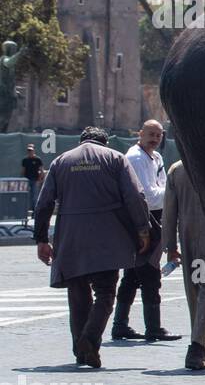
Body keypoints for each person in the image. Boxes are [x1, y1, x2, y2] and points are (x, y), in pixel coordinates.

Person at [32, 127, 152, 368]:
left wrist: (41, 239)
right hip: (108, 236)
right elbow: (135, 196)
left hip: (71, 236)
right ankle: (90, 340)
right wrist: (143, 229)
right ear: (104, 142)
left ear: (81, 140)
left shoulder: (61, 161)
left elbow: (44, 203)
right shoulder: (115, 159)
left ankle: (81, 349)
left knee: (77, 294)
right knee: (106, 293)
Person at [112, 120, 182, 342]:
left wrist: (165, 192)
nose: (155, 138)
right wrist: (171, 192)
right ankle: (153, 327)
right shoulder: (136, 157)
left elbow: (158, 189)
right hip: (142, 221)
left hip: (154, 218)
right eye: (151, 134)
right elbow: (149, 196)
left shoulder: (156, 157)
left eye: (159, 135)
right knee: (150, 275)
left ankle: (120, 325)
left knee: (132, 275)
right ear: (140, 134)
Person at [162, 160, 205, 371]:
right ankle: (197, 347)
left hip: (190, 241)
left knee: (197, 289)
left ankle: (201, 343)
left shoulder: (177, 169)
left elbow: (169, 212)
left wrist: (170, 245)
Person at [20, 143, 44, 217]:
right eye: (28, 150)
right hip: (26, 181)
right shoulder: (25, 160)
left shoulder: (38, 160)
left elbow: (41, 170)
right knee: (26, 196)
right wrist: (22, 180)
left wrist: (39, 180)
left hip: (35, 180)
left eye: (31, 150)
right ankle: (25, 213)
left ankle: (35, 213)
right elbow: (23, 170)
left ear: (34, 151)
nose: (30, 152)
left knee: (34, 197)